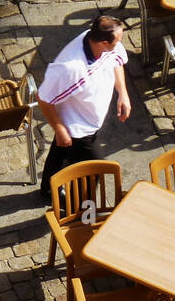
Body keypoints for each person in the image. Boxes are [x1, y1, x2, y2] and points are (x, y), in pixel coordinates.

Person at [37, 15, 132, 202]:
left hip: (87, 120)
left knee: (61, 152)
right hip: (79, 128)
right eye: (118, 39)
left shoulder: (101, 41)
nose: (121, 42)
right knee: (94, 170)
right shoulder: (70, 69)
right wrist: (60, 129)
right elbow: (43, 98)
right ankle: (82, 211)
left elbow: (117, 61)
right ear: (104, 43)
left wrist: (123, 93)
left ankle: (48, 190)